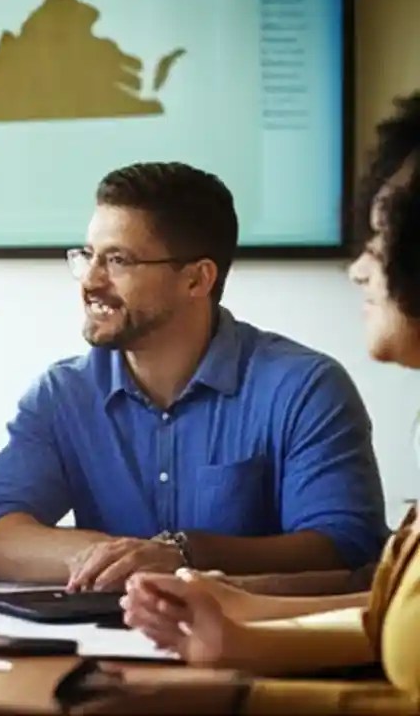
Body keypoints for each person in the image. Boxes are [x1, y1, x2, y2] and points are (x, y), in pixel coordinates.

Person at [0, 161, 388, 591]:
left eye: (117, 260)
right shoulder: (63, 395)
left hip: (252, 650)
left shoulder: (304, 388)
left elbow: (347, 545)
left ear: (197, 280)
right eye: (88, 255)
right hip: (97, 646)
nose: (90, 281)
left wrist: (186, 554)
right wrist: (112, 558)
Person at [119, 93, 420, 713]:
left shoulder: (304, 384)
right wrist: (239, 621)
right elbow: (385, 616)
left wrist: (239, 696)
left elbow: (350, 556)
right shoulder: (62, 385)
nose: (359, 270)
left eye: (384, 236)